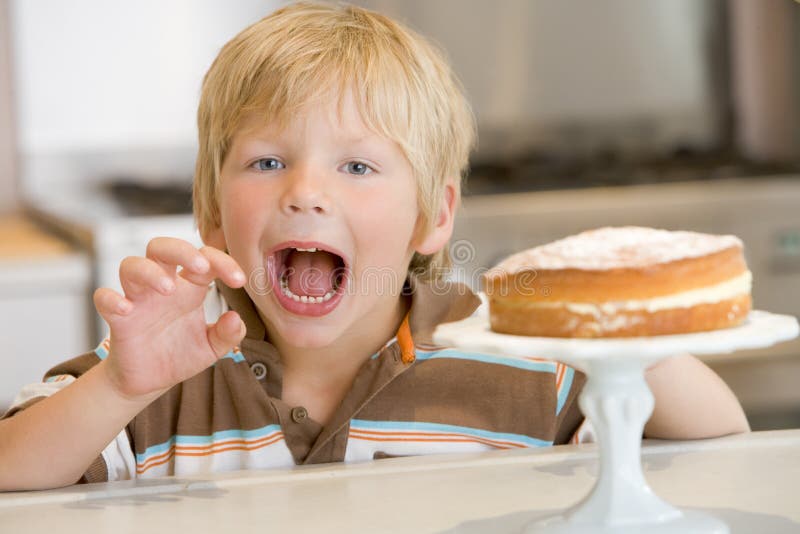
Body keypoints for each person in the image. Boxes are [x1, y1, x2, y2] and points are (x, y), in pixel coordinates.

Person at [0, 1, 749, 491]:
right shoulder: (160, 370)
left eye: (357, 166)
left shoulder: (513, 362)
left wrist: (612, 325)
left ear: (433, 216)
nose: (306, 191)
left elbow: (723, 451)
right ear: (212, 214)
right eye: (267, 161)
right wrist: (120, 388)